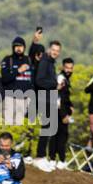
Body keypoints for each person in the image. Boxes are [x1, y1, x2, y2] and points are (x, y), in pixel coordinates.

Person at [32, 40, 62, 170]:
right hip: (44, 98)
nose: (55, 52)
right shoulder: (45, 61)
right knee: (46, 127)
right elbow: (39, 80)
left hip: (49, 98)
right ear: (49, 50)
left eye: (57, 51)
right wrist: (54, 85)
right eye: (53, 50)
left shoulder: (51, 63)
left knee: (48, 127)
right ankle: (39, 157)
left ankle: (42, 156)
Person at [0, 36, 33, 126]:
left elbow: (32, 79)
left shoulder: (28, 60)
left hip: (24, 100)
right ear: (13, 47)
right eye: (16, 46)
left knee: (19, 127)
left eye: (21, 46)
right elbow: (4, 79)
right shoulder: (8, 60)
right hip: (10, 98)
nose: (19, 48)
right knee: (7, 125)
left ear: (24, 47)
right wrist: (18, 71)